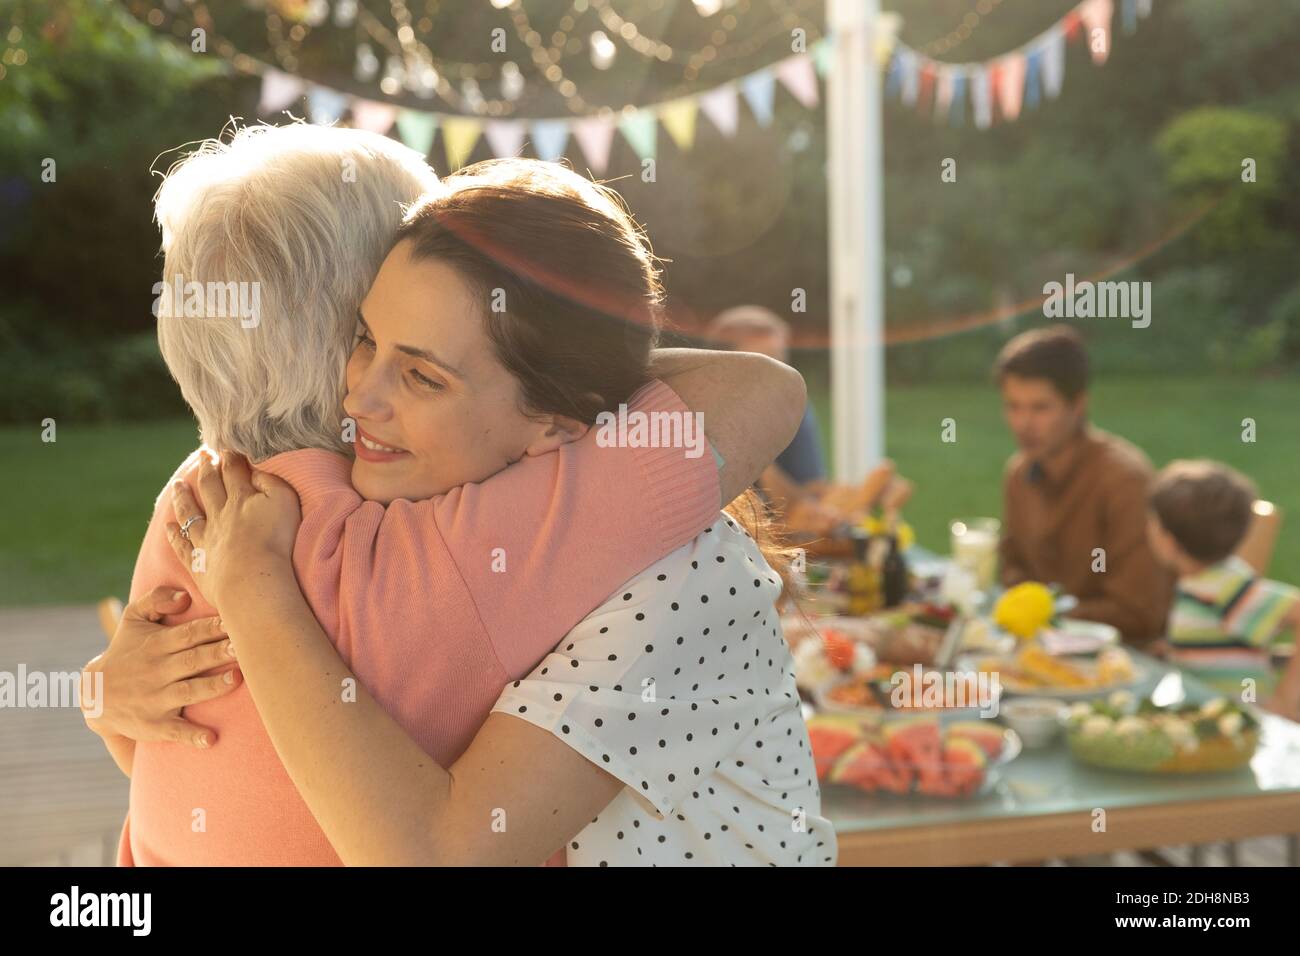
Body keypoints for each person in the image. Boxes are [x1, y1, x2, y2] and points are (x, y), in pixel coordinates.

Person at [83, 133, 832, 866]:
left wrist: (229, 606)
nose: (365, 391)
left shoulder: (202, 498)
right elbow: (759, 390)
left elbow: (181, 762)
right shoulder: (454, 538)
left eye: (424, 372)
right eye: (368, 337)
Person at [995, 325, 1173, 643]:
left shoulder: (1124, 480)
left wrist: (1047, 612)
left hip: (1121, 662)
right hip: (1041, 650)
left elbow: (1139, 614)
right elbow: (1012, 564)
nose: (1023, 424)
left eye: (1040, 407)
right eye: (1013, 406)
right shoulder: (1019, 474)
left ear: (1077, 405)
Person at [1146, 459, 1300, 713]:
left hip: (1243, 726)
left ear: (1168, 541)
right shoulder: (1203, 582)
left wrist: (1287, 700)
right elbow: (1217, 634)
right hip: (1209, 720)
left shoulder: (1225, 588)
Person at [705, 307, 827, 507]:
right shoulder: (698, 412)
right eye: (764, 364)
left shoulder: (793, 408)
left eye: (781, 362)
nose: (779, 375)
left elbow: (814, 495)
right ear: (722, 366)